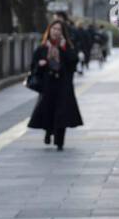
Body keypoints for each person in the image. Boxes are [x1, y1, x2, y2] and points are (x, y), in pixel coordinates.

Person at [28, 20, 84, 150]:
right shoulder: (43, 47)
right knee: (48, 110)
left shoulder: (66, 47)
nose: (56, 32)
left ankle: (60, 141)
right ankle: (48, 132)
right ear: (49, 30)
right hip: (47, 85)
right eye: (54, 29)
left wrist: (64, 49)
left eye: (59, 29)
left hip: (63, 85)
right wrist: (40, 64)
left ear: (63, 32)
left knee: (62, 113)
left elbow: (73, 62)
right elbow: (33, 66)